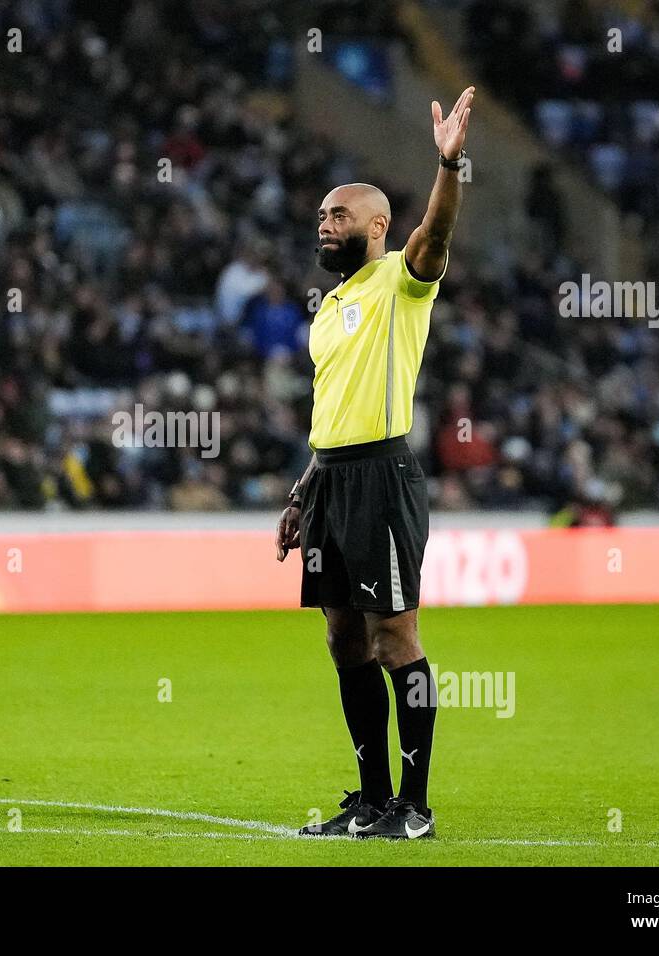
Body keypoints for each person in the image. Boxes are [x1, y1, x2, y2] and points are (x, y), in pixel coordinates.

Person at [276, 87, 476, 839]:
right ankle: (368, 800)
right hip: (331, 479)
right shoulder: (327, 310)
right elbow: (329, 414)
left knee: (396, 638)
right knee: (342, 638)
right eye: (322, 216)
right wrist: (301, 494)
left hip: (383, 480)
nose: (324, 225)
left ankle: (414, 807)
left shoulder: (402, 280)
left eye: (338, 215)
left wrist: (449, 164)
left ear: (377, 225)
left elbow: (436, 231)